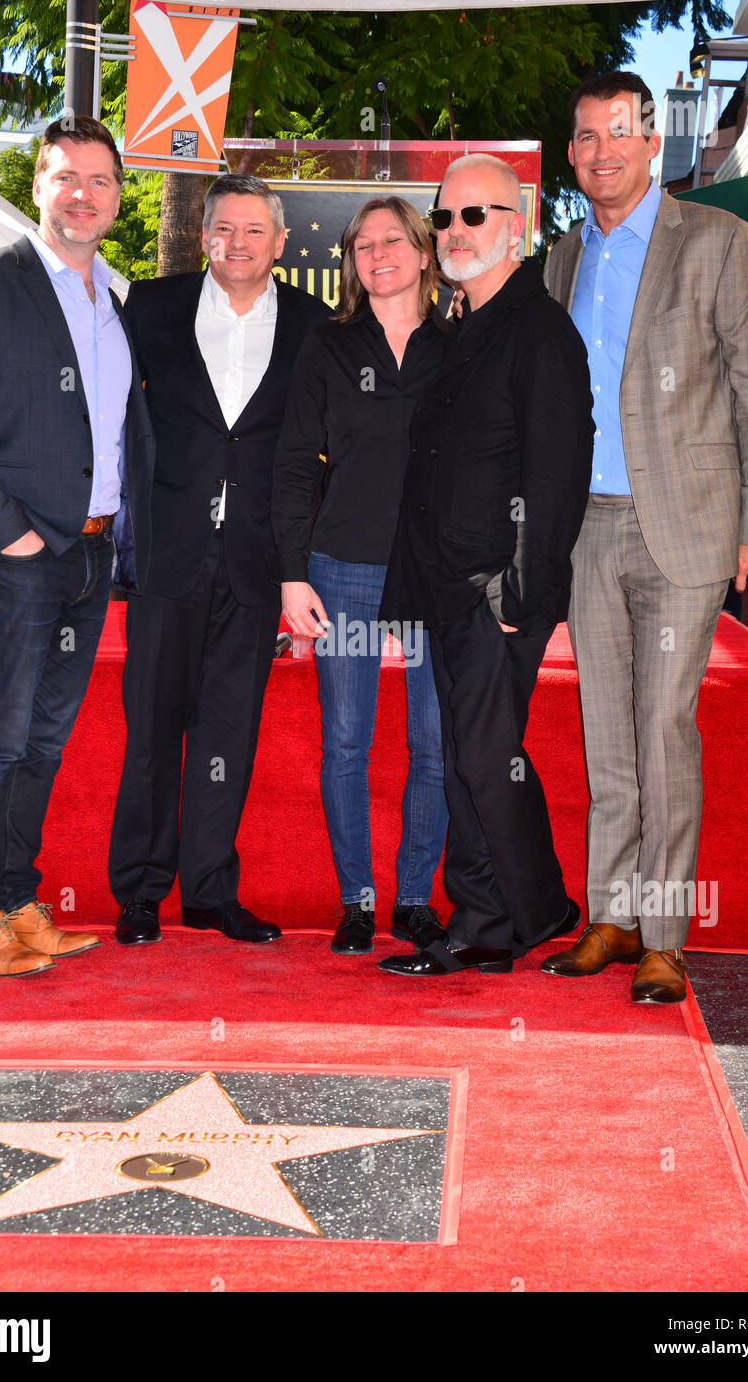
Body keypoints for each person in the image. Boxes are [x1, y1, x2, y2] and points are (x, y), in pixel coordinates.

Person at [542, 71, 748, 1002]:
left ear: (653, 144)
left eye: (620, 133)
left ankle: (664, 932)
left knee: (661, 728)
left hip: (685, 528)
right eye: (586, 137)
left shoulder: (719, 242)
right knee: (604, 731)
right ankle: (608, 916)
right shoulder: (564, 257)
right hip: (586, 531)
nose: (602, 151)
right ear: (571, 154)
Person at [0, 115, 154, 977]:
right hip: (19, 558)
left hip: (91, 557)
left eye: (100, 180)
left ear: (119, 197)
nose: (83, 194)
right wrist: (8, 528)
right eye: (66, 177)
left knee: (44, 741)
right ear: (39, 187)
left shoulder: (111, 304)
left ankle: (19, 898)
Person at [377, 153, 594, 978]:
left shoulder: (539, 330)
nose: (456, 230)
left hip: (497, 591)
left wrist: (519, 589)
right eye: (445, 216)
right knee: (477, 755)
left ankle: (519, 912)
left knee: (480, 755)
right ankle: (497, 914)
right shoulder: (467, 325)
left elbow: (557, 469)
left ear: (517, 227)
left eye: (476, 214)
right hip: (449, 586)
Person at [108, 175, 328, 947]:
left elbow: (317, 448)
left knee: (227, 733)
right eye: (224, 229)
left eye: (254, 231)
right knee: (152, 729)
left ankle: (208, 891)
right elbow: (114, 416)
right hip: (168, 552)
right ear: (204, 237)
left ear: (279, 240)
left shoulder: (312, 323)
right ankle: (140, 892)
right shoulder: (151, 307)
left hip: (255, 561)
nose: (238, 243)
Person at [272, 197, 452, 956]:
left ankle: (414, 899)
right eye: (363, 245)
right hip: (341, 566)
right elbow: (288, 466)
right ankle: (357, 900)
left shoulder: (462, 343)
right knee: (346, 742)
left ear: (422, 251)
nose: (378, 255)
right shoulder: (330, 346)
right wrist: (291, 576)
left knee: (434, 745)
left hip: (436, 571)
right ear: (351, 262)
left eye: (393, 241)